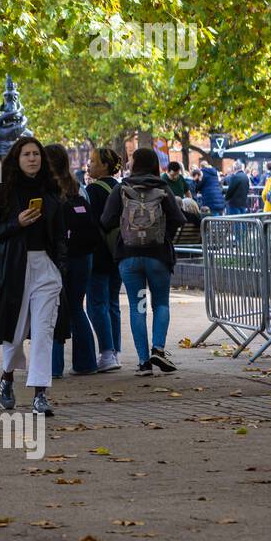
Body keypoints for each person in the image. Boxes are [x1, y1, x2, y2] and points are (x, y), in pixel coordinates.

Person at [0, 137, 67, 416]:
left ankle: (40, 393)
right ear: (17, 158)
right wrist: (17, 223)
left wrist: (61, 267)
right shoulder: (3, 190)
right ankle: (7, 377)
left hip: (45, 269)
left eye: (36, 154)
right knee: (13, 334)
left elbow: (60, 234)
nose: (32, 158)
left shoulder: (51, 191)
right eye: (26, 154)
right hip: (14, 267)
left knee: (43, 332)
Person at [101, 148, 185, 377]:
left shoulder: (121, 188)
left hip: (129, 258)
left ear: (135, 164)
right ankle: (158, 348)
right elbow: (179, 218)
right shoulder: (163, 187)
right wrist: (161, 233)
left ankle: (143, 363)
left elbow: (106, 220)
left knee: (138, 308)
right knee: (161, 304)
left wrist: (127, 231)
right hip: (158, 257)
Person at [47, 144, 98, 378]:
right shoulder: (79, 187)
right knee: (77, 307)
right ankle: (86, 362)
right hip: (83, 255)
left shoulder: (47, 189)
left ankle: (53, 366)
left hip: (58, 257)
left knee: (54, 310)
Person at [84, 147, 124, 372]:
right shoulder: (120, 188)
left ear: (105, 166)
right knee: (112, 303)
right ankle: (114, 351)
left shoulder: (93, 190)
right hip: (118, 252)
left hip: (98, 254)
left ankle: (106, 352)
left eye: (92, 161)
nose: (89, 165)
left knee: (96, 304)